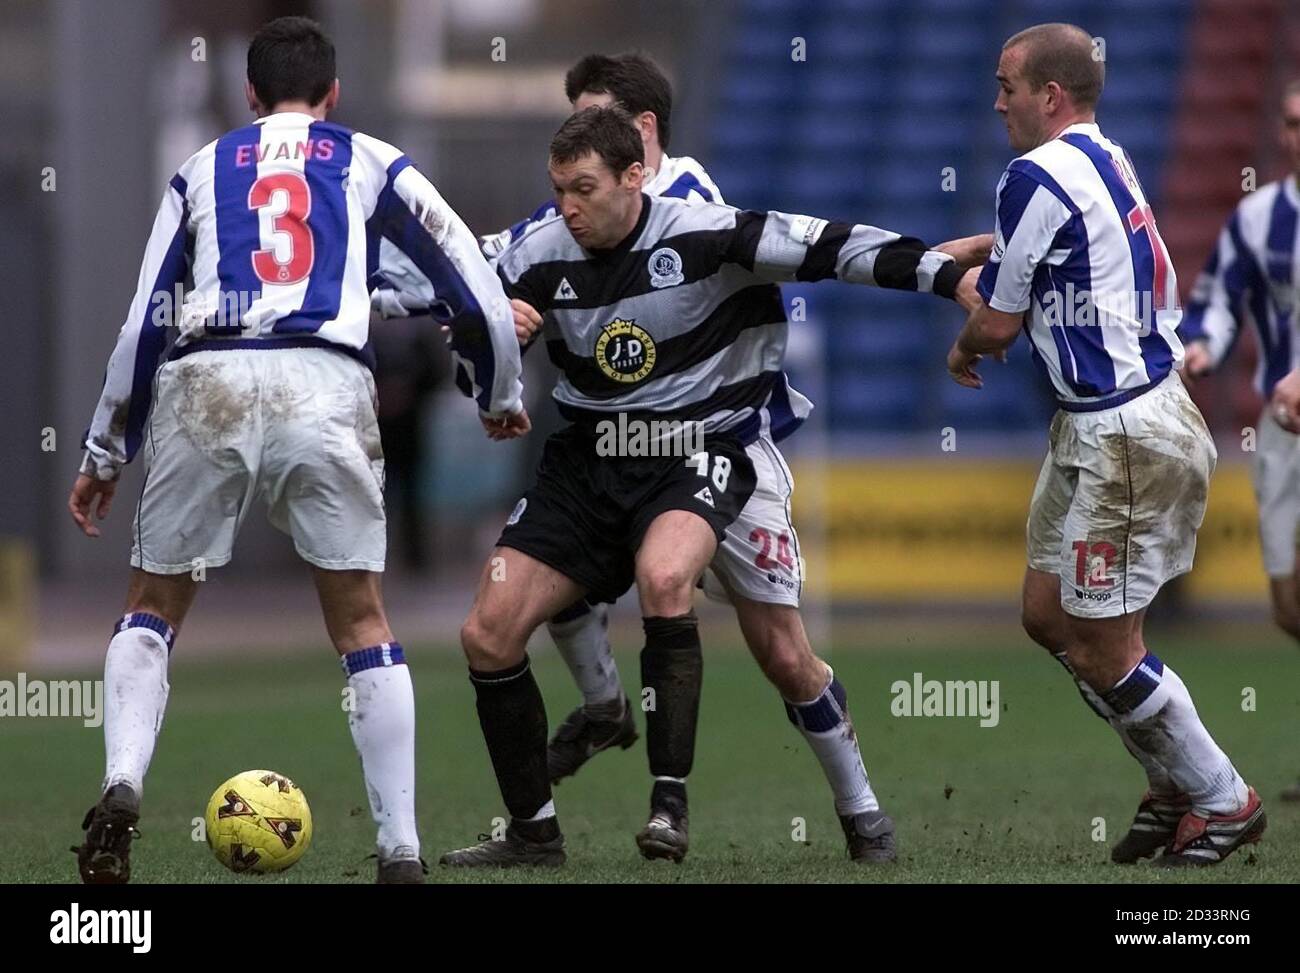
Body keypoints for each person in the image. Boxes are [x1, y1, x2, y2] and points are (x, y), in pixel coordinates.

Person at [438, 105, 978, 866]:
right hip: (589, 460)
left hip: (702, 445)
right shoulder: (534, 251)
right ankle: (534, 833)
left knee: (713, 609)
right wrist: (492, 336)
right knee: (485, 632)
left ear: (636, 173)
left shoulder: (708, 230)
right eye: (559, 188)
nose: (568, 206)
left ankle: (716, 805)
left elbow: (834, 247)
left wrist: (948, 278)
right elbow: (457, 335)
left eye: (583, 188)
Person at [67, 16, 525, 884]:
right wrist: (498, 393)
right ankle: (401, 849)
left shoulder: (200, 170)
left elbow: (142, 323)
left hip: (211, 376)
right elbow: (473, 283)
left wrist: (103, 449)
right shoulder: (369, 160)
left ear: (247, 95)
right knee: (361, 620)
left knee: (153, 608)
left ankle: (122, 784)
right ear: (334, 95)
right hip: (326, 380)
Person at [947, 22, 1264, 866]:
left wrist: (965, 331)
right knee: (1047, 614)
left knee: (1102, 644)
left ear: (1049, 96)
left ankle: (1223, 798)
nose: (997, 100)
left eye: (1007, 83)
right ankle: (1172, 778)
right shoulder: (1103, 157)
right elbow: (1065, 258)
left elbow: (998, 321)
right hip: (1106, 423)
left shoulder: (1033, 172)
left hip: (1126, 430)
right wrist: (988, 258)